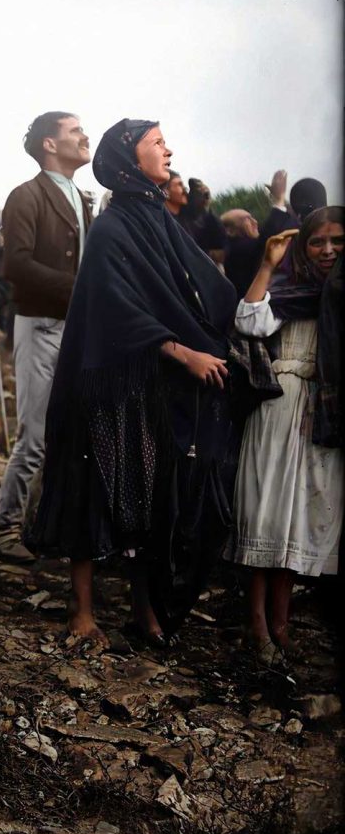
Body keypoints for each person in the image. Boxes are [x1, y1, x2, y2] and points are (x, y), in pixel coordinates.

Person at [26, 119, 238, 648]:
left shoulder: (156, 219)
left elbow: (193, 286)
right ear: (129, 157)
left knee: (149, 494)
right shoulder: (113, 227)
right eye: (157, 143)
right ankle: (82, 612)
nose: (169, 150)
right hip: (102, 384)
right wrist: (182, 349)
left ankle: (146, 611)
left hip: (145, 386)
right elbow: (115, 308)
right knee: (92, 487)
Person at [232, 207, 343, 663]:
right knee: (268, 512)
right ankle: (255, 623)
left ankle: (281, 621)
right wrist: (268, 264)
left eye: (338, 241)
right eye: (318, 241)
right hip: (284, 404)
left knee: (300, 516)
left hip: (325, 414)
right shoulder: (291, 287)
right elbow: (248, 321)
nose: (328, 250)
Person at [0, 112, 93, 563]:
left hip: (75, 329)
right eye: (75, 131)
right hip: (40, 325)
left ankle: (45, 528)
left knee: (67, 434)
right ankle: (4, 529)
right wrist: (80, 289)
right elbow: (15, 264)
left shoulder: (82, 198)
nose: (84, 136)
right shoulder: (26, 196)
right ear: (50, 144)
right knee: (34, 435)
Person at [178, 178, 228, 265]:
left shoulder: (207, 217)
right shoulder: (176, 217)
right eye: (179, 185)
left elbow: (223, 250)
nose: (185, 190)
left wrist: (205, 205)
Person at [221, 207, 262, 298]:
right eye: (247, 219)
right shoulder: (240, 248)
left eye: (252, 217)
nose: (255, 222)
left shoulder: (232, 247)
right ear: (231, 230)